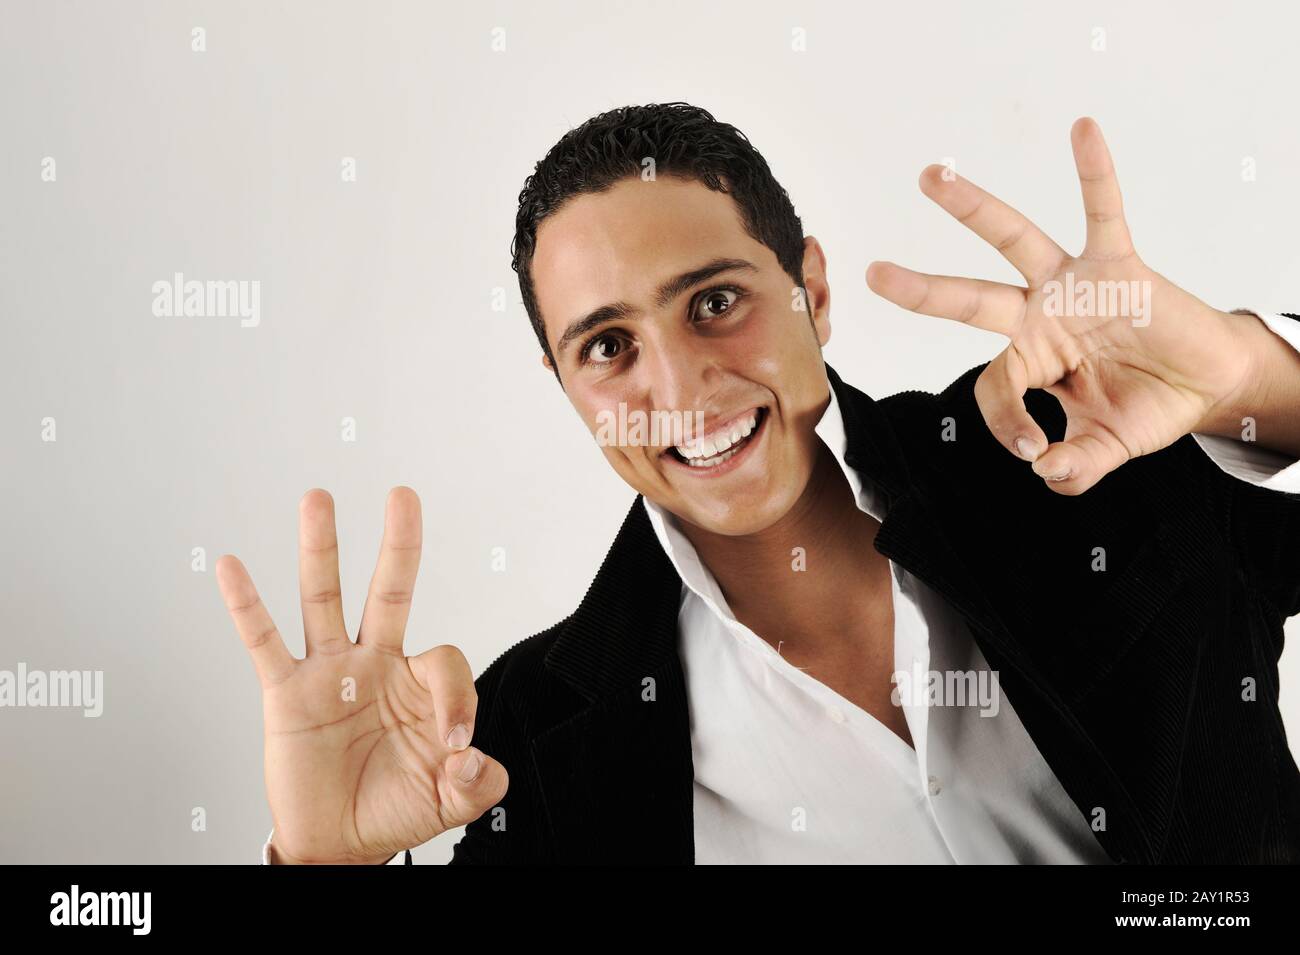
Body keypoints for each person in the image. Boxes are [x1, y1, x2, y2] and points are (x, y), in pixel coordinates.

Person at [216, 103, 1300, 864]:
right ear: (564, 385)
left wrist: (1252, 376)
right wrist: (322, 864)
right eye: (606, 345)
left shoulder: (1073, 443)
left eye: (715, 303)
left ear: (811, 292)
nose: (680, 383)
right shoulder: (530, 733)